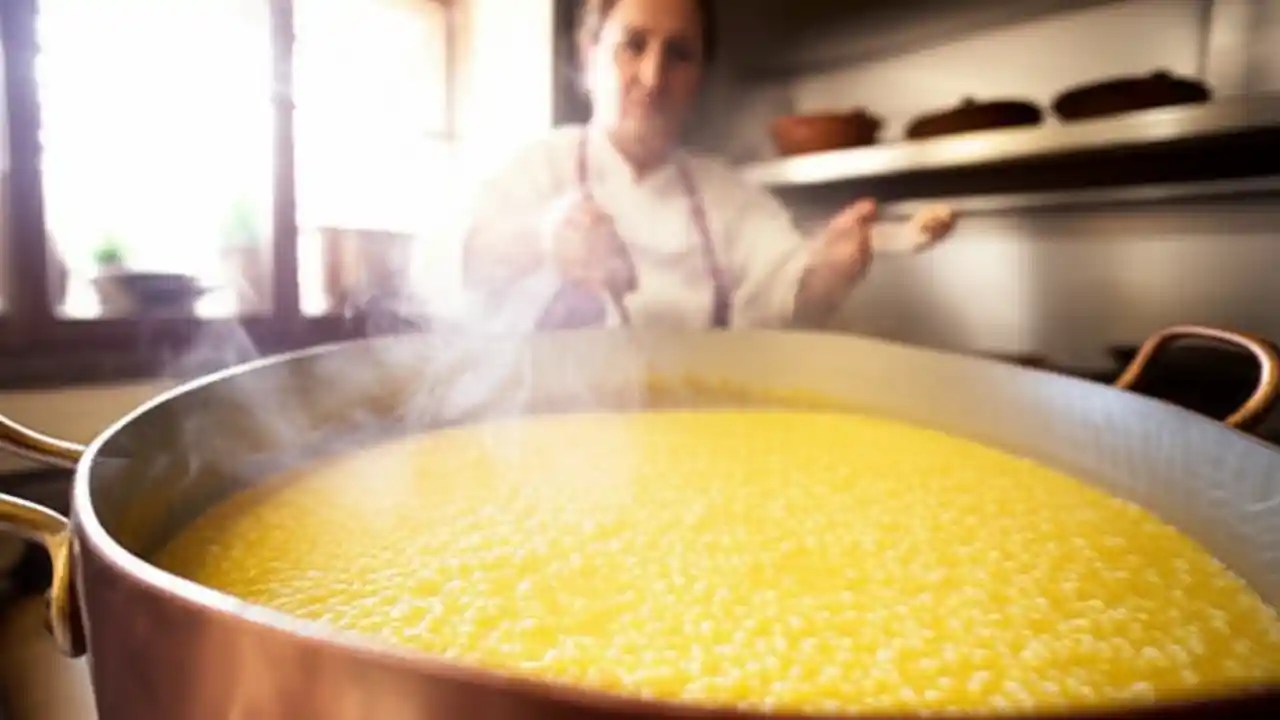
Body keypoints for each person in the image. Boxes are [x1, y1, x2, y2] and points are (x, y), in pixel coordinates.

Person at [462, 0, 956, 331]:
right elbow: (442, 267)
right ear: (590, 57)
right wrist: (543, 240)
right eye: (634, 45)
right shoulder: (537, 169)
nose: (654, 77)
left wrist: (829, 269)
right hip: (562, 443)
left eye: (679, 54)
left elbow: (789, 303)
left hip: (704, 437)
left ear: (698, 77)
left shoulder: (730, 200)